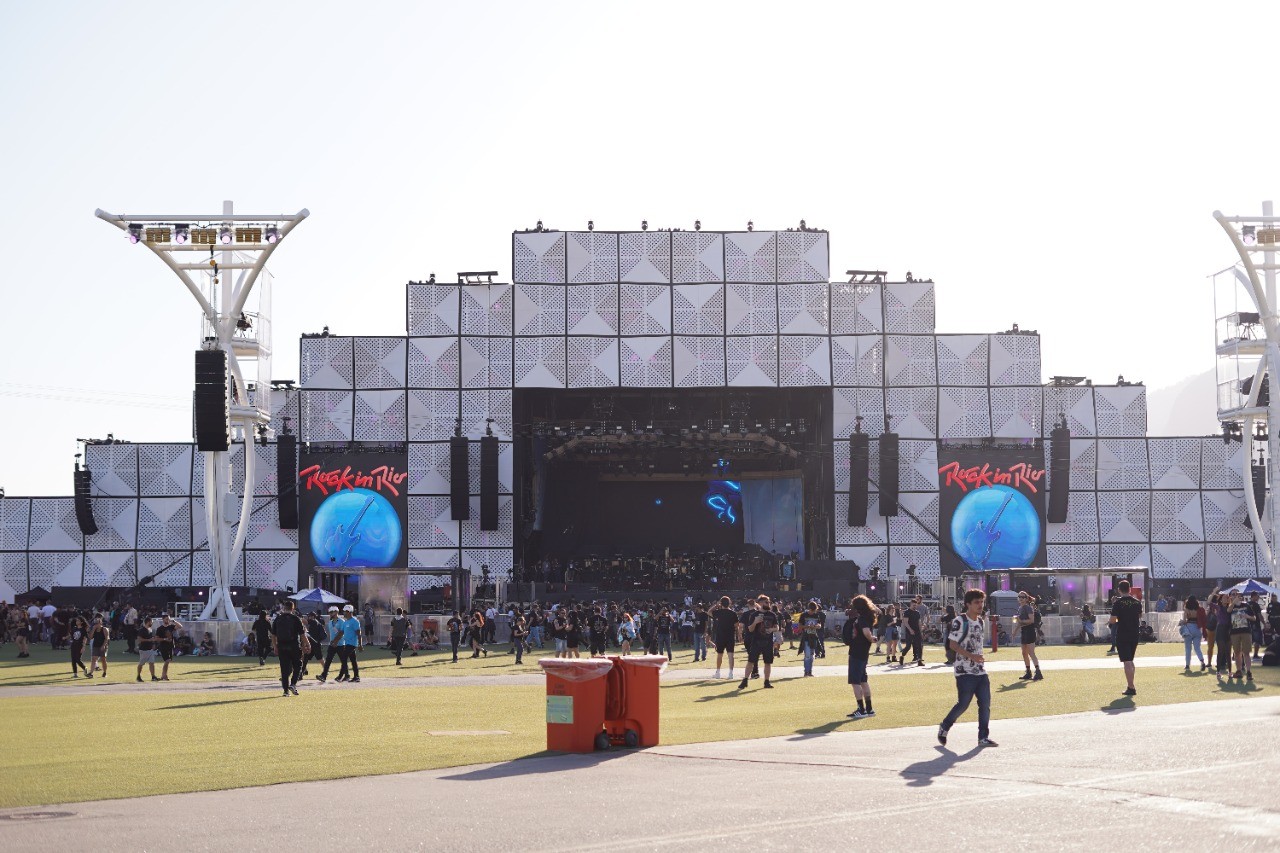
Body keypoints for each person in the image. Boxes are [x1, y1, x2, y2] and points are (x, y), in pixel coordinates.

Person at [938, 589, 998, 748]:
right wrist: (972, 657)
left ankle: (983, 737)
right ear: (968, 604)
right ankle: (945, 726)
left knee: (985, 704)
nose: (980, 605)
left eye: (981, 602)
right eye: (976, 602)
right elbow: (952, 644)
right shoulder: (960, 621)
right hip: (964, 671)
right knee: (963, 704)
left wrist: (978, 659)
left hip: (980, 670)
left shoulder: (980, 621)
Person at [1108, 580, 1142, 696]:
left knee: (1127, 661)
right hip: (1134, 634)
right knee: (1130, 660)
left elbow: (1113, 620)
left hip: (1123, 634)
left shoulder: (1118, 603)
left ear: (1119, 590)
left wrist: (1118, 620)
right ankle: (1131, 684)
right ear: (1130, 589)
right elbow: (1139, 616)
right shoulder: (1137, 603)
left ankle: (1131, 687)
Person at [846, 595, 878, 719]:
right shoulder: (868, 617)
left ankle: (861, 709)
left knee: (855, 682)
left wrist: (870, 638)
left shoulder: (862, 619)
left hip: (857, 651)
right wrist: (871, 639)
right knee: (863, 680)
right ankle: (869, 709)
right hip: (864, 651)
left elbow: (866, 632)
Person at [738, 595, 778, 690]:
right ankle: (745, 681)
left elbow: (777, 627)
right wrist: (755, 622)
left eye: (769, 602)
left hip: (768, 642)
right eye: (766, 602)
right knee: (751, 662)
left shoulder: (772, 614)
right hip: (756, 641)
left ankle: (767, 682)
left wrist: (771, 629)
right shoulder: (754, 615)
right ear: (760, 603)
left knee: (767, 662)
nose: (768, 604)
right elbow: (750, 629)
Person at [271, 600, 309, 696]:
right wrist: (307, 643)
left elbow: (273, 635)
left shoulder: (278, 619)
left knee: (284, 669)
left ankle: (285, 691)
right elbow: (302, 634)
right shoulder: (296, 619)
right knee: (298, 666)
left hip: (282, 646)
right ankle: (293, 684)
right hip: (294, 646)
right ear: (293, 608)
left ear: (284, 608)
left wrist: (275, 646)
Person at [1228, 591, 1256, 683]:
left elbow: (1254, 618)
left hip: (1246, 631)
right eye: (1233, 594)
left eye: (1237, 594)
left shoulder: (1246, 605)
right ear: (1230, 597)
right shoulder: (1231, 606)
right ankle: (1239, 670)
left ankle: (1248, 672)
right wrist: (1233, 602)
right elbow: (1228, 611)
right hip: (1234, 632)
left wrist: (1247, 616)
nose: (1235, 595)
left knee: (1246, 652)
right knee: (1237, 653)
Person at [1016, 592, 1043, 681]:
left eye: (1023, 597)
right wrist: (1014, 631)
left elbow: (1031, 620)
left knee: (1031, 653)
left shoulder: (1028, 608)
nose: (1021, 598)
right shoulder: (1020, 608)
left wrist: (1020, 621)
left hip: (1030, 631)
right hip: (1024, 631)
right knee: (1024, 653)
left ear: (1026, 599)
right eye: (1019, 597)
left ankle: (1038, 672)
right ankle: (1028, 672)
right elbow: (1019, 622)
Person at [315, 607, 345, 683]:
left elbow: (341, 633)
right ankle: (323, 676)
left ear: (336, 612)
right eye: (329, 612)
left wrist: (335, 641)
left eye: (331, 612)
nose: (330, 614)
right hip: (332, 644)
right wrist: (332, 642)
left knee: (343, 661)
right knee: (328, 661)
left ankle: (343, 675)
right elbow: (331, 634)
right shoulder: (330, 622)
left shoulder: (342, 621)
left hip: (340, 644)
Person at [710, 597, 737, 679]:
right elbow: (736, 625)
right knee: (730, 655)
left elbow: (709, 612)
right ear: (729, 603)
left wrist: (716, 605)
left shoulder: (718, 612)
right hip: (730, 636)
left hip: (720, 636)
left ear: (721, 604)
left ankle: (718, 673)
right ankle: (731, 673)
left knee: (719, 655)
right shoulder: (733, 613)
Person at [798, 601, 825, 677]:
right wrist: (808, 626)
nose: (813, 612)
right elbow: (799, 626)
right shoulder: (804, 615)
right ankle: (806, 672)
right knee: (807, 655)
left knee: (812, 655)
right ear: (809, 608)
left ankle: (810, 671)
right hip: (806, 636)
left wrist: (815, 626)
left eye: (814, 610)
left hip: (814, 637)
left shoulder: (816, 615)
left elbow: (819, 625)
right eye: (812, 610)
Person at [1181, 595, 1206, 672]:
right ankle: (1202, 661)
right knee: (1197, 648)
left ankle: (1187, 665)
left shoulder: (1186, 610)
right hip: (1197, 629)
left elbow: (1184, 621)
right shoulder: (1199, 609)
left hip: (1189, 628)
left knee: (1188, 649)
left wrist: (1181, 623)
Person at [154, 614, 182, 681]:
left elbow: (180, 626)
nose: (168, 620)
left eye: (169, 619)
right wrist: (164, 639)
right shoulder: (159, 629)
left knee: (168, 661)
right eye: (166, 619)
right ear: (163, 619)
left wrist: (174, 621)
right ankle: (164, 676)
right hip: (163, 647)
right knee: (167, 661)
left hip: (170, 646)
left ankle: (163, 676)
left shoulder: (171, 627)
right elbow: (157, 639)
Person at [340, 604, 363, 681]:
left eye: (345, 611)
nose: (344, 613)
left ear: (349, 612)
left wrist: (360, 644)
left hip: (352, 643)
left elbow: (358, 633)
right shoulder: (345, 622)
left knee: (343, 657)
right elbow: (342, 632)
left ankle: (347, 675)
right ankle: (356, 677)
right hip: (347, 643)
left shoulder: (355, 621)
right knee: (353, 660)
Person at [135, 616, 159, 683]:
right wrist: (149, 640)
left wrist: (153, 643)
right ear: (148, 622)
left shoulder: (150, 629)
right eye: (151, 621)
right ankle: (138, 676)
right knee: (141, 664)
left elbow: (151, 638)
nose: (152, 623)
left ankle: (153, 676)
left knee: (152, 663)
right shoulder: (141, 630)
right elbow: (139, 639)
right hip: (144, 650)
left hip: (150, 649)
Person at [1248, 592, 1265, 661]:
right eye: (1257, 596)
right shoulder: (1256, 605)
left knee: (1246, 640)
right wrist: (1264, 623)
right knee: (1257, 640)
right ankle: (1255, 654)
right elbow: (1259, 615)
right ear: (1254, 596)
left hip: (1248, 624)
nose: (1258, 598)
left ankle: (1240, 654)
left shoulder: (1247, 604)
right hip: (1255, 624)